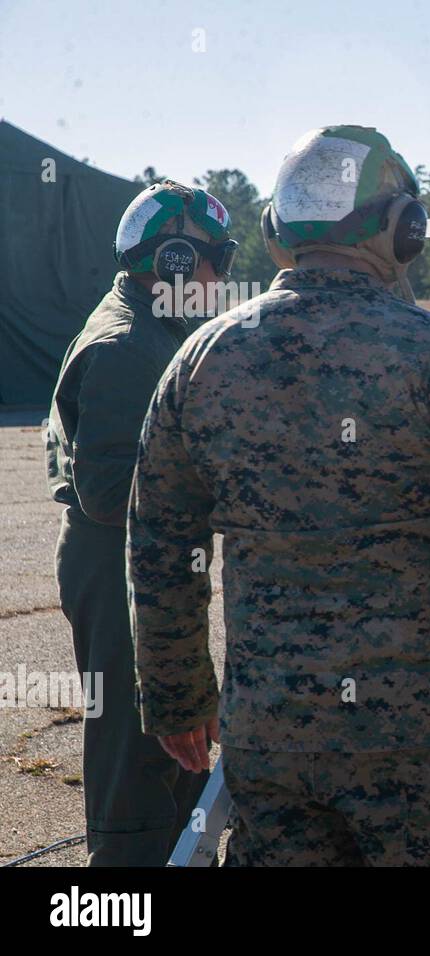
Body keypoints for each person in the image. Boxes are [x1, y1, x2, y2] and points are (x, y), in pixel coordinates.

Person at [126, 126, 430, 866]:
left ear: (277, 230)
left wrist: (176, 697)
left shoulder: (200, 362)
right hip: (422, 745)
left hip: (271, 738)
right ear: (403, 231)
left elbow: (159, 550)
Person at [46, 179, 238, 865]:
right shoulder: (131, 345)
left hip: (132, 563)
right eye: (221, 257)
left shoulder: (150, 327)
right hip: (120, 566)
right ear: (179, 261)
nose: (226, 276)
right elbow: (108, 488)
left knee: (172, 749)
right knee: (139, 752)